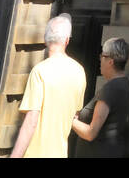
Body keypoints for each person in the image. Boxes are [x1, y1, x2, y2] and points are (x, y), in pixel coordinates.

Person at [10, 13, 86, 159]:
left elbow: (31, 119)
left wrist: (15, 156)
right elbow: (74, 115)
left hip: (34, 153)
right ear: (67, 40)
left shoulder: (40, 71)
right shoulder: (79, 71)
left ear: (46, 40)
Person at [71, 37, 129, 157]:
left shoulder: (110, 89)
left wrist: (69, 120)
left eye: (102, 55)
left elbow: (91, 133)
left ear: (111, 61)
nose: (100, 59)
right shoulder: (126, 84)